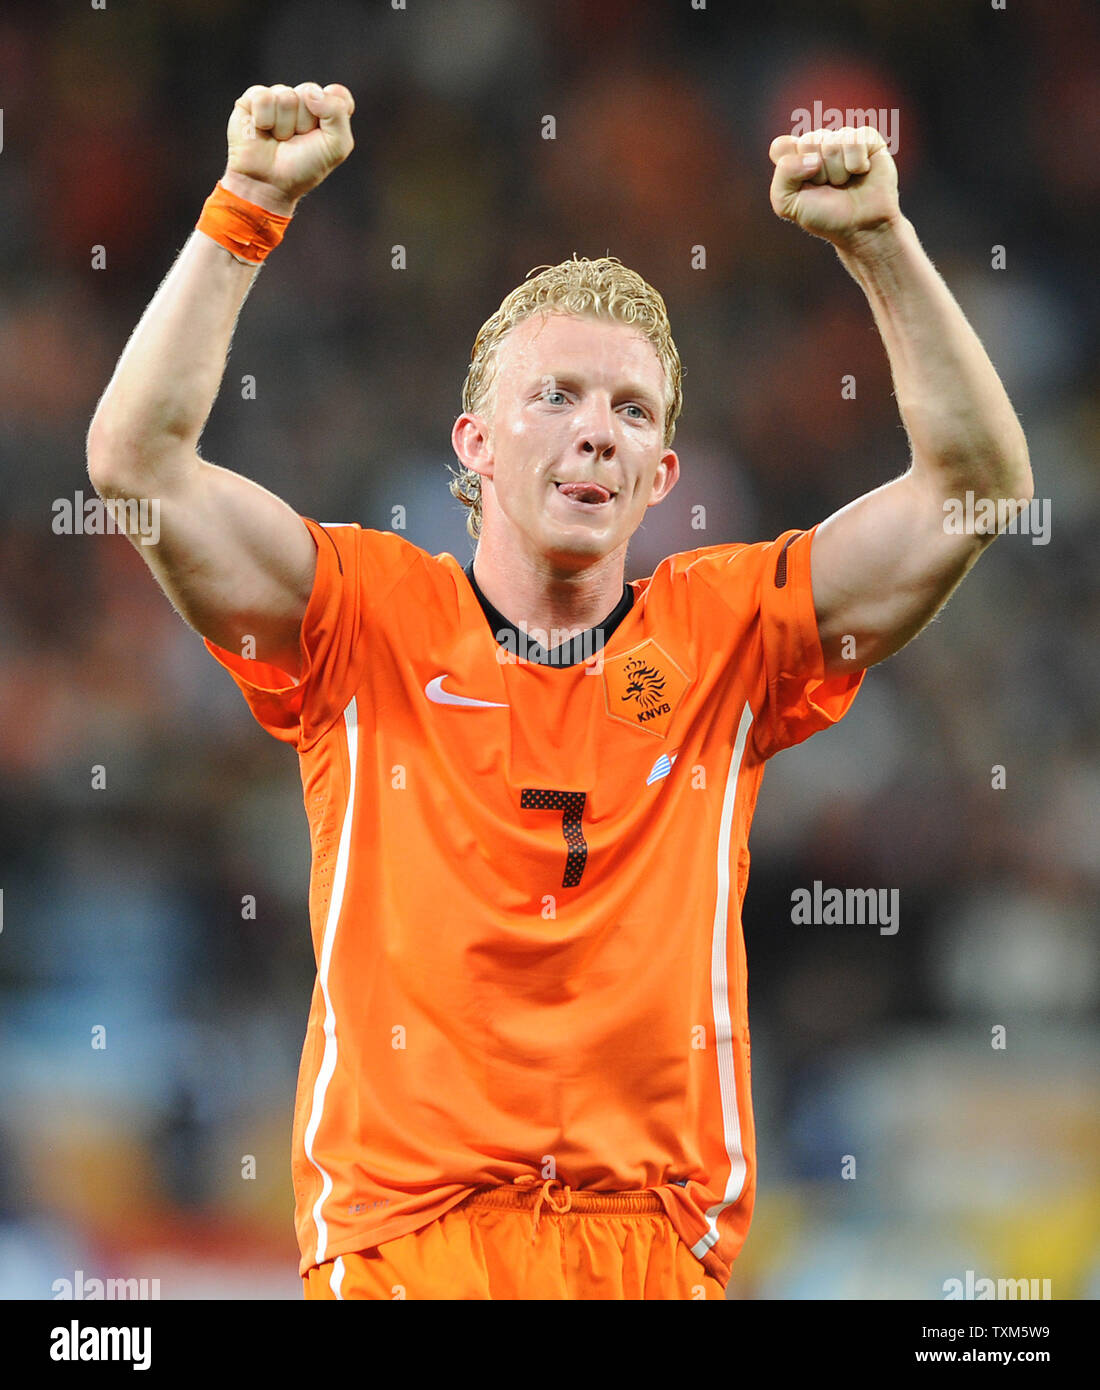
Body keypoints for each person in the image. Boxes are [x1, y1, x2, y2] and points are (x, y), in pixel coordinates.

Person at [86, 82, 1032, 1300]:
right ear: (473, 446)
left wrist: (879, 246)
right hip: (406, 1252)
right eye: (557, 397)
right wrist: (249, 205)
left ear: (660, 476)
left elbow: (974, 484)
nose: (595, 433)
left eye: (630, 411)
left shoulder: (732, 630)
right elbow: (136, 461)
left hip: (650, 1253)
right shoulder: (360, 616)